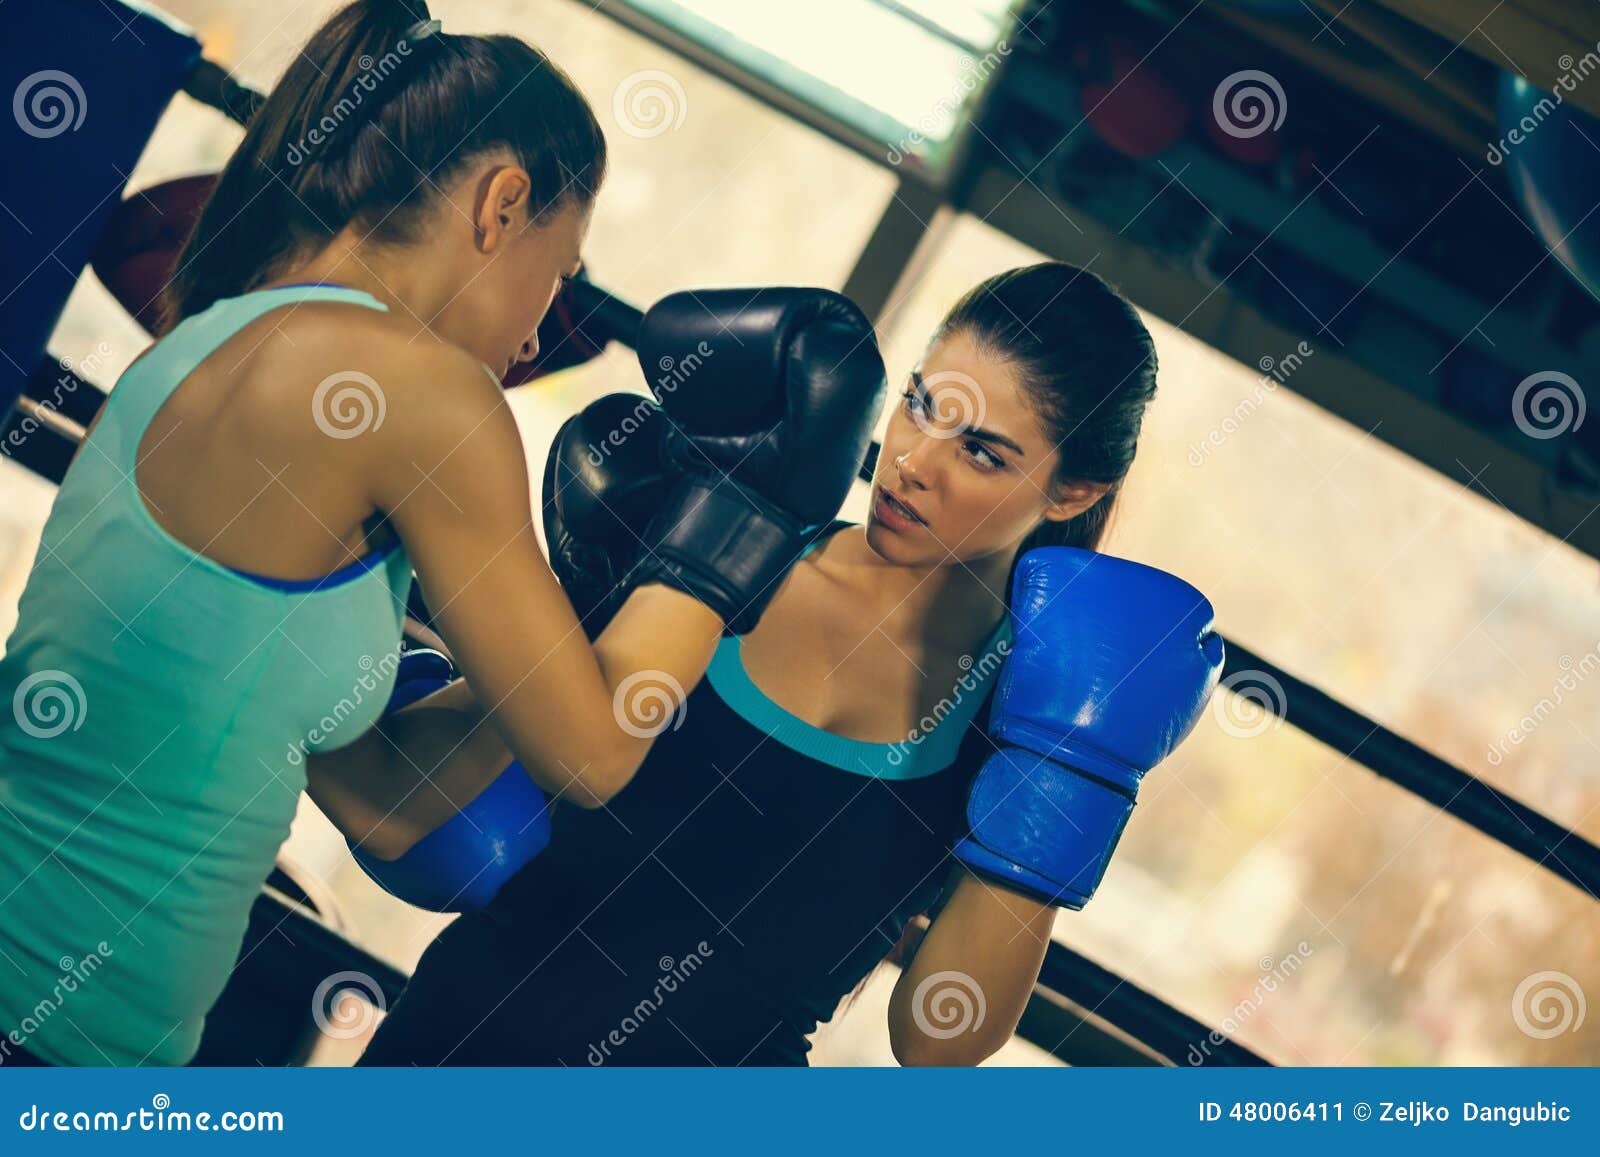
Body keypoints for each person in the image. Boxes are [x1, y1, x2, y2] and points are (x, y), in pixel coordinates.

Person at [0, 0, 881, 1068]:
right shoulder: (424, 394)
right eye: (559, 276)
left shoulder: (205, 333)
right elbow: (595, 756)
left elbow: (380, 802)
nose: (534, 331)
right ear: (501, 205)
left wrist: (581, 628)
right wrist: (739, 521)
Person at [355, 262, 1224, 1067]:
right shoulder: (727, 542)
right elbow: (422, 773)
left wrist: (1068, 770)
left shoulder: (1029, 709)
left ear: (1073, 492)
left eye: (982, 452)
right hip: (451, 1052)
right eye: (921, 405)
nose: (914, 464)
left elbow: (937, 1041)